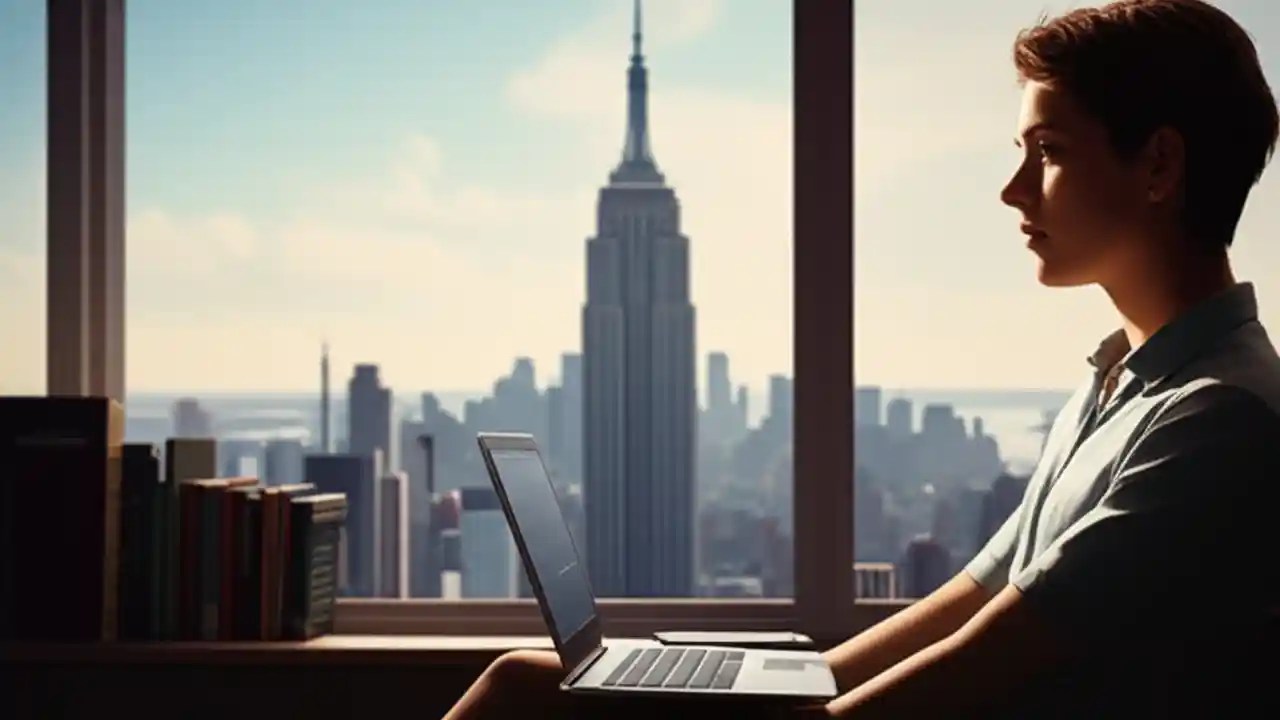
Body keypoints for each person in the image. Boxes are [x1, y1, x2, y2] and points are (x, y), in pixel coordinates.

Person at [445, 1, 1280, 717]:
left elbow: (974, 667)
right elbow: (975, 596)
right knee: (525, 682)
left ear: (1159, 166)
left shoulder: (1216, 419)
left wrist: (806, 704)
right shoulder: (1115, 387)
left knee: (523, 699)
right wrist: (790, 682)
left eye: (1049, 152)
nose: (1013, 189)